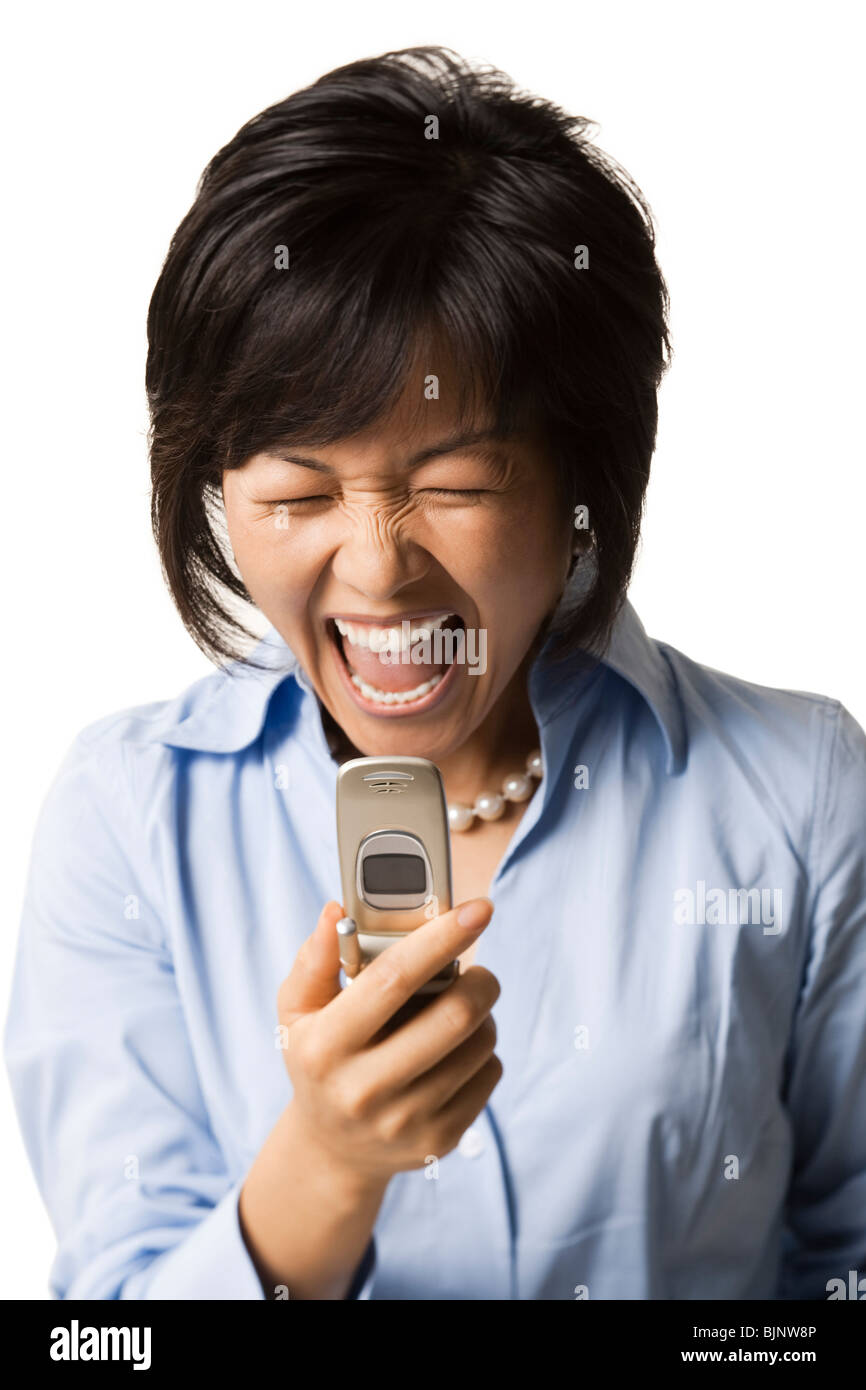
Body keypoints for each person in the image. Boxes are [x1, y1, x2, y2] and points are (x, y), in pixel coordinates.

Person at [5, 46, 865, 1301]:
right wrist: (324, 1166)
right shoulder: (130, 815)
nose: (377, 571)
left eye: (454, 485)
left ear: (583, 481)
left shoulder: (798, 793)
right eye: (297, 491)